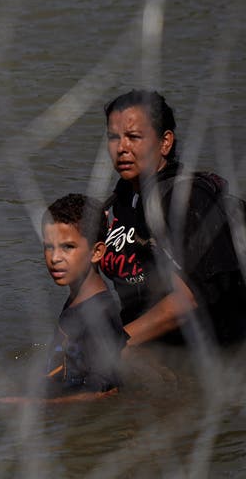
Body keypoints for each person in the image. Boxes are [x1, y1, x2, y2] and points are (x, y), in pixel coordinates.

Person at [100, 90, 246, 346]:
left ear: (165, 142)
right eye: (114, 138)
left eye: (134, 137)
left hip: (210, 353)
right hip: (148, 340)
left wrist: (117, 344)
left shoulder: (184, 199)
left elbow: (188, 299)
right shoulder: (124, 196)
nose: (121, 148)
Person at [38, 194, 126, 400]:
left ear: (96, 252)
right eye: (48, 247)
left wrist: (31, 404)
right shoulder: (79, 299)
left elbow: (104, 391)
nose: (55, 258)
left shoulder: (99, 316)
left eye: (68, 247)